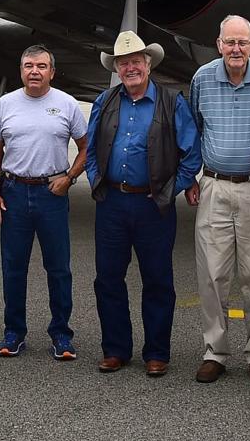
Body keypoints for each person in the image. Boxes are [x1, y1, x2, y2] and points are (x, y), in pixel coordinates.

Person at [86, 31, 202, 377]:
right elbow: (90, 150)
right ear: (117, 69)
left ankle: (157, 353)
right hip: (112, 204)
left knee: (158, 281)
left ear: (148, 64)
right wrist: (95, 180)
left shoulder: (172, 102)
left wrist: (169, 191)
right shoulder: (103, 102)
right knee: (108, 279)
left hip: (153, 206)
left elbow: (191, 155)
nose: (130, 67)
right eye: (124, 63)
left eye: (136, 61)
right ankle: (115, 350)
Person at [189, 15, 250, 386]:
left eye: (243, 42)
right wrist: (191, 178)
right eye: (230, 42)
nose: (236, 49)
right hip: (213, 185)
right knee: (212, 274)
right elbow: (195, 128)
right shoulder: (202, 79)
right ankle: (215, 351)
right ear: (219, 44)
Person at [0, 45, 88, 359]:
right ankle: (14, 332)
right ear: (21, 70)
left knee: (58, 269)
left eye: (41, 66)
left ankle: (61, 334)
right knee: (13, 268)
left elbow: (86, 147)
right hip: (14, 192)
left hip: (51, 194)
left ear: (52, 72)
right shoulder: (6, 104)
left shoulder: (67, 104)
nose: (34, 71)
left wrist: (69, 177)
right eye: (29, 65)